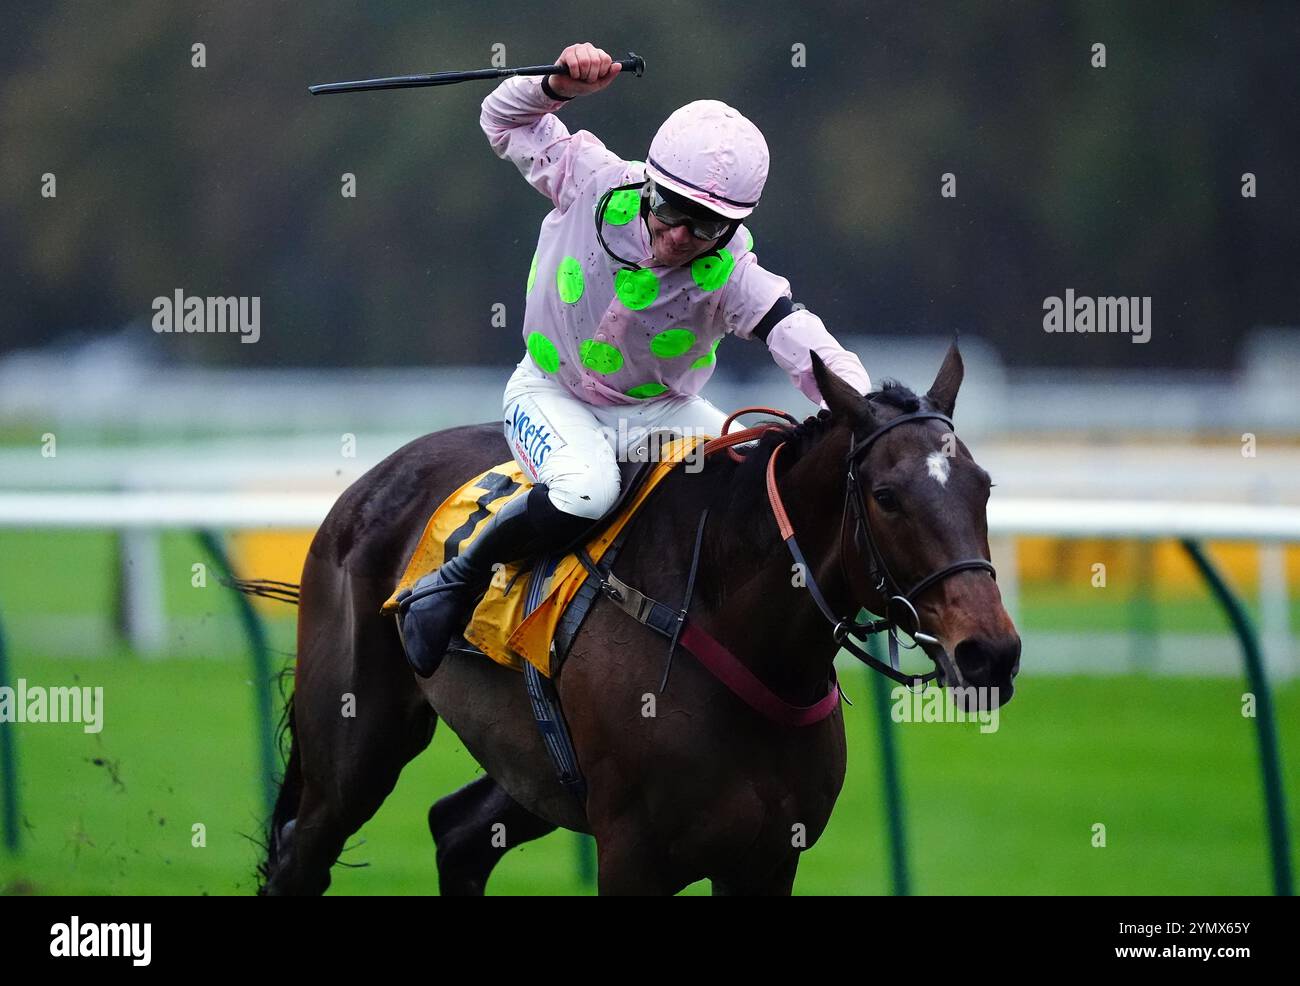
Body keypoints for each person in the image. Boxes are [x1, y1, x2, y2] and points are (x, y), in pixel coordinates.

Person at [399, 42, 872, 676]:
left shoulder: (731, 274)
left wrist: (865, 413)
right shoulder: (589, 178)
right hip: (551, 392)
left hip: (660, 412)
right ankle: (460, 576)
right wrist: (555, 86)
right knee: (586, 492)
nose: (680, 237)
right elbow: (500, 118)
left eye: (705, 227)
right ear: (648, 183)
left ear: (732, 228)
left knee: (751, 488)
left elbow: (803, 341)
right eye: (673, 211)